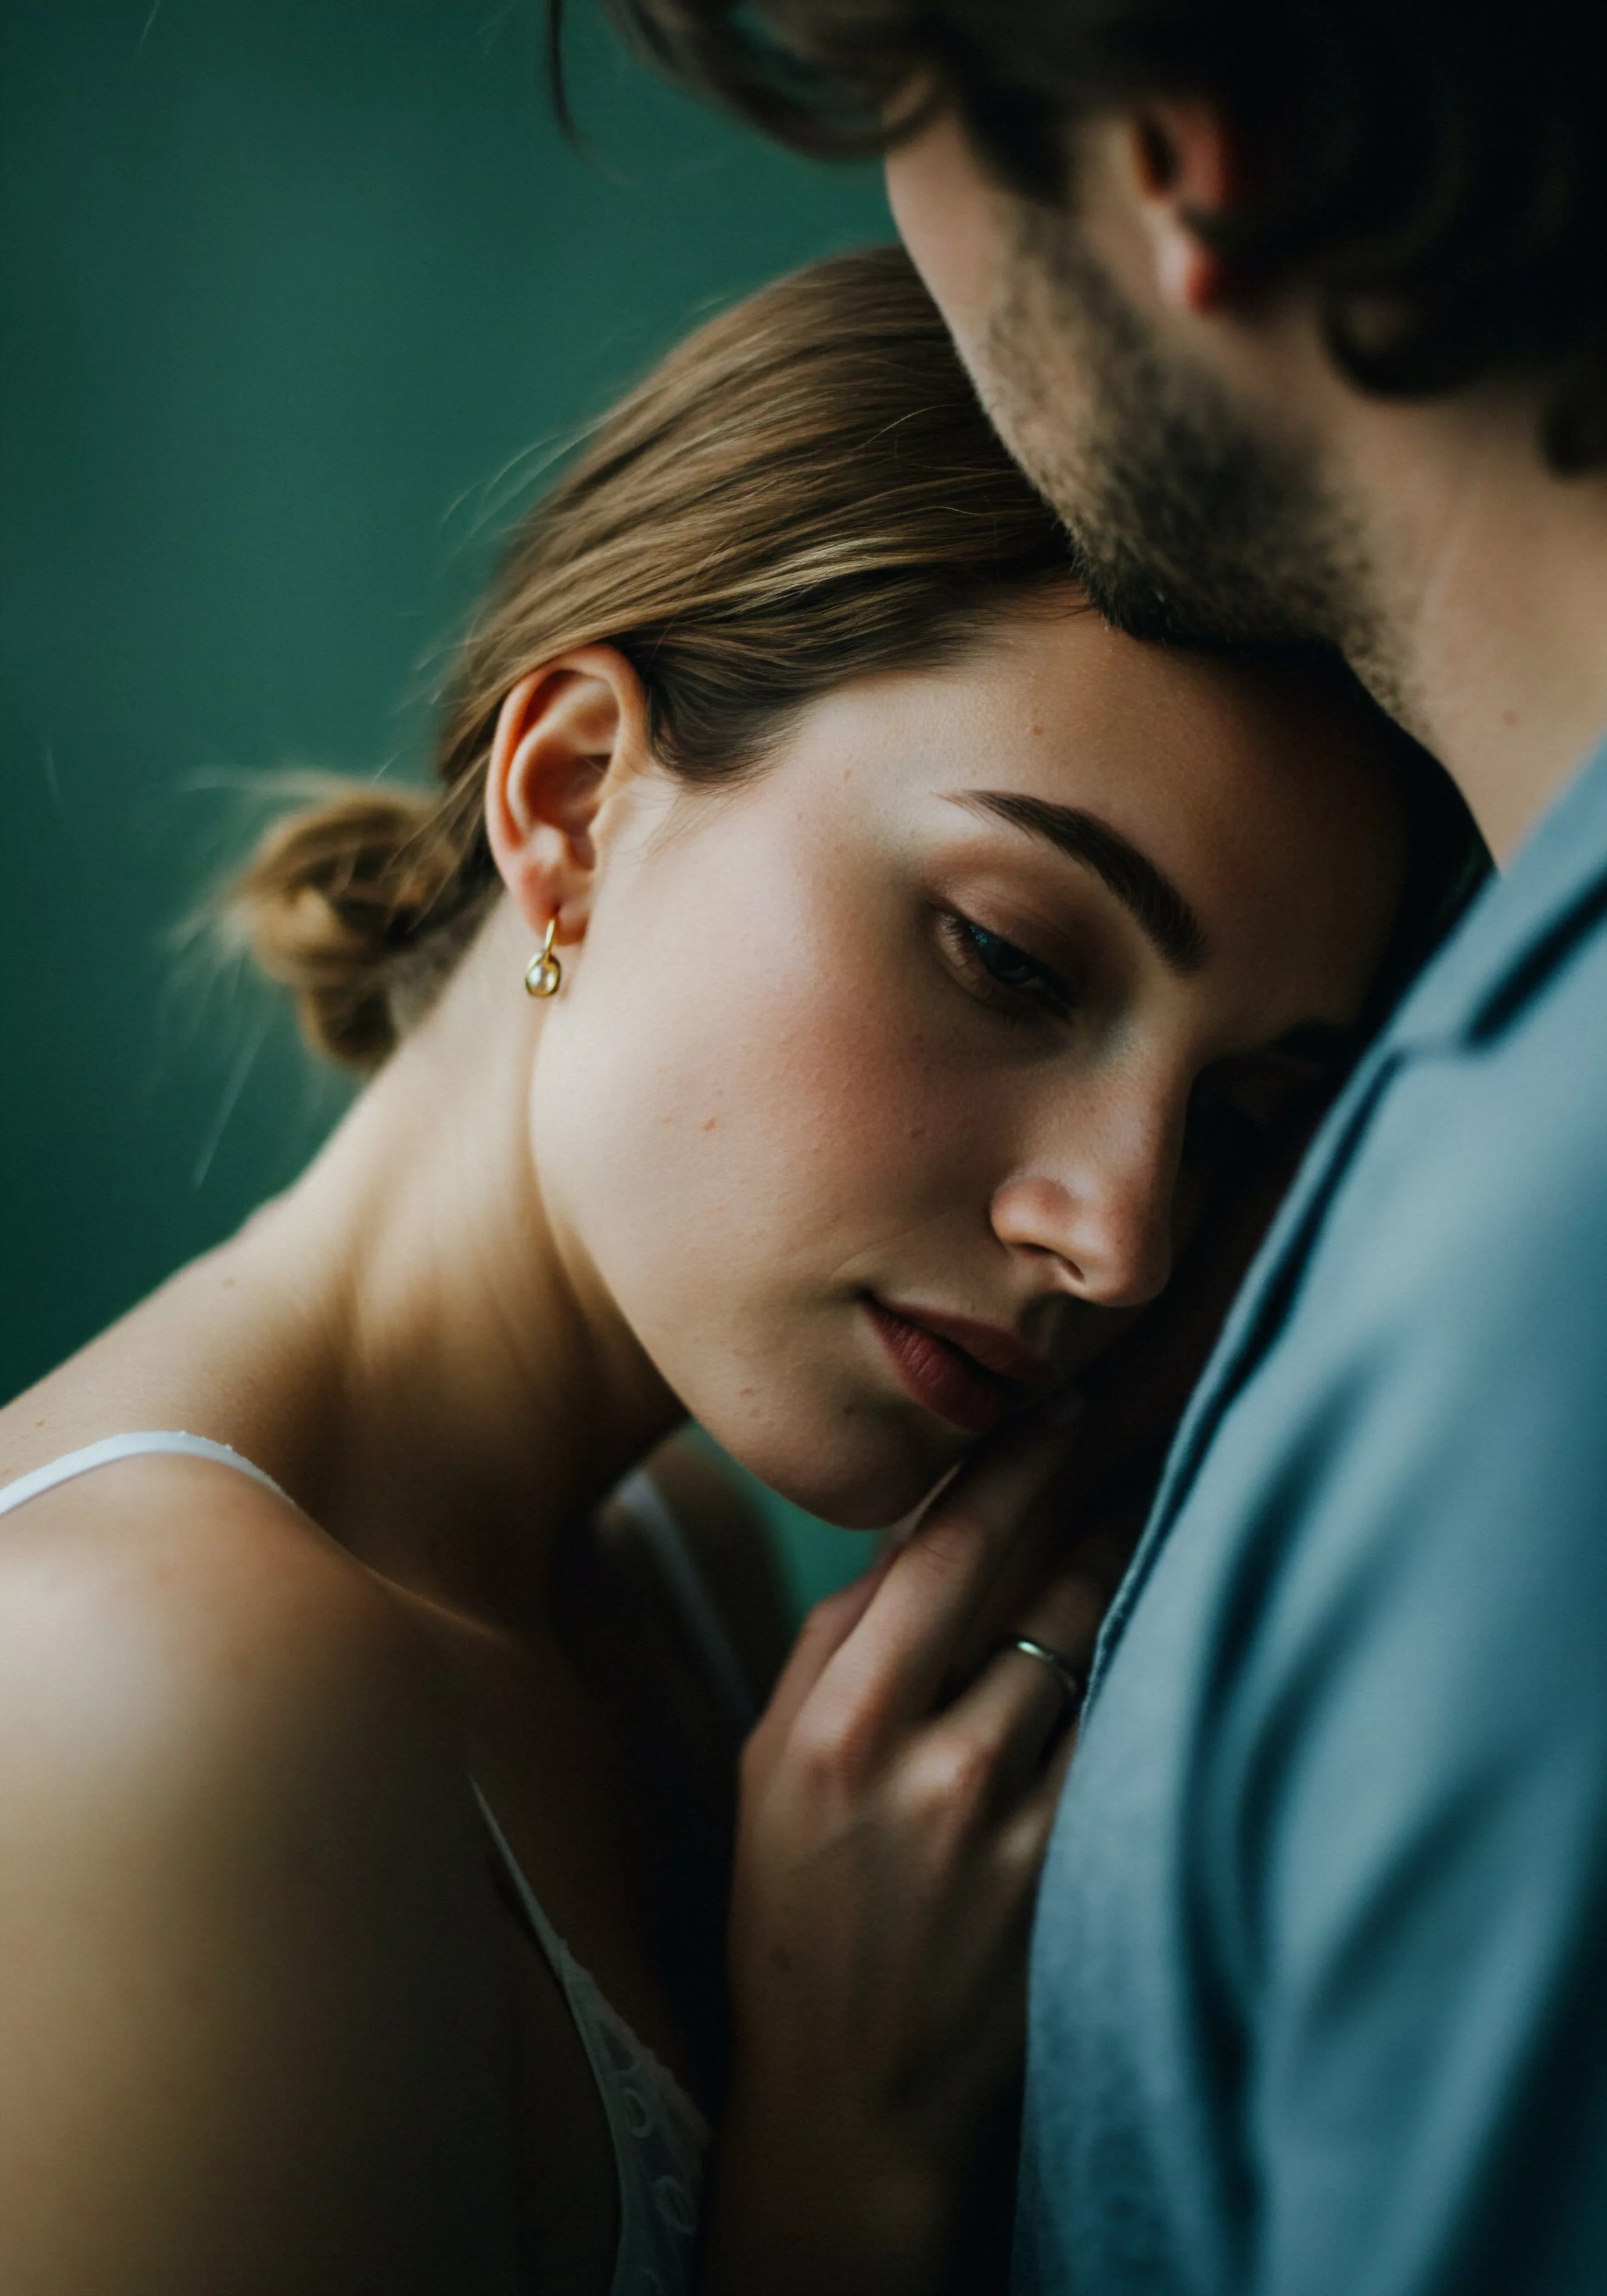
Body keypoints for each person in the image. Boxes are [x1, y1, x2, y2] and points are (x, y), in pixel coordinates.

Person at [0, 246, 1472, 2296]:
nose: (1121, 1237)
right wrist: (849, 2178)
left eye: (1233, 1116)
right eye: (1013, 959)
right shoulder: (154, 1698)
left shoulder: (657, 1544)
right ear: (576, 800)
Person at [596, 5, 1607, 2292]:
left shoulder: (1545, 1280)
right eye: (1009, 957)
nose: (1127, 1242)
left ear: (1183, 165)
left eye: (915, 127)